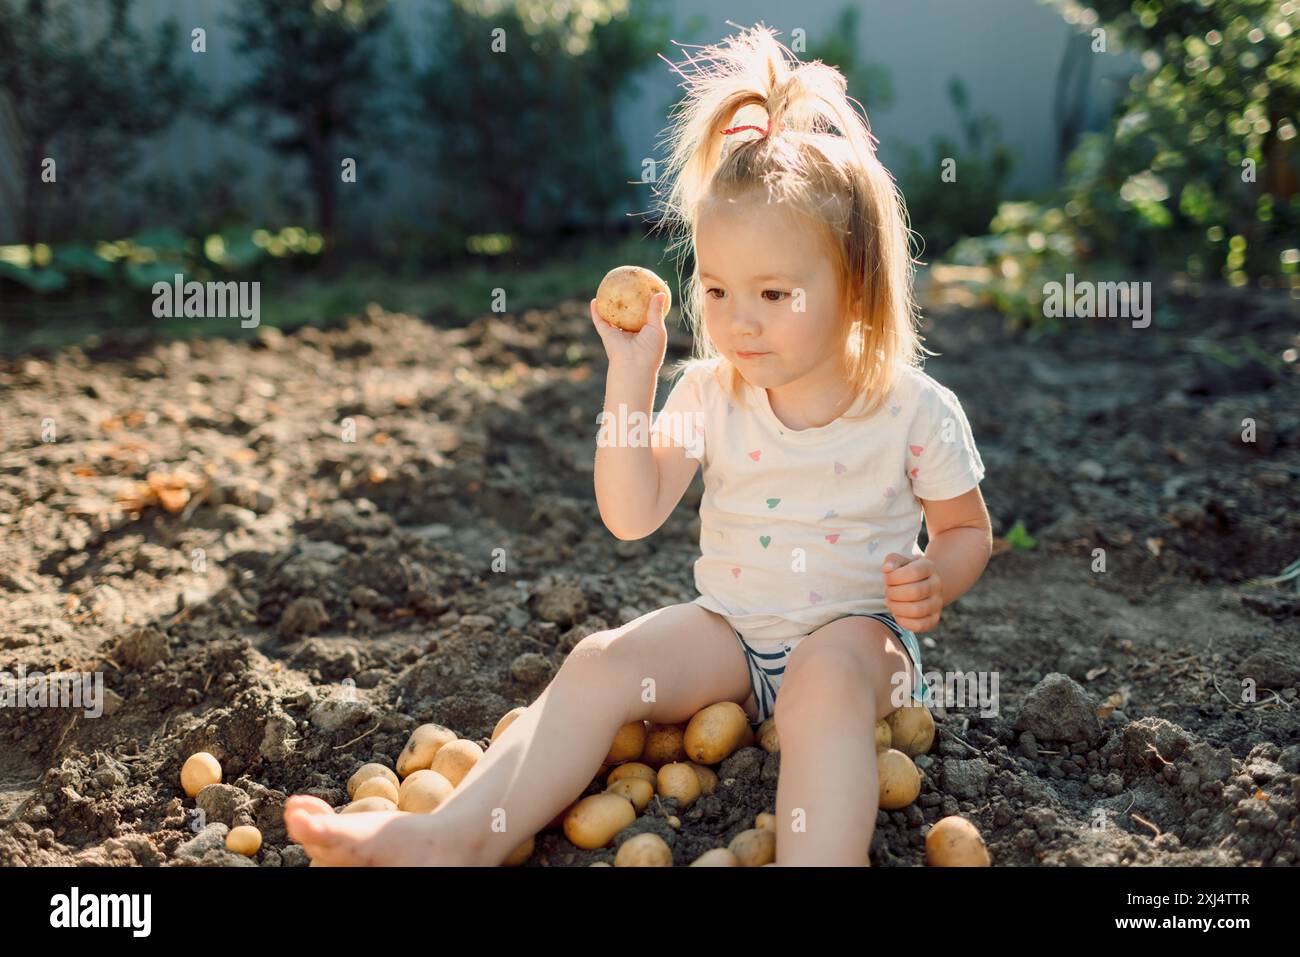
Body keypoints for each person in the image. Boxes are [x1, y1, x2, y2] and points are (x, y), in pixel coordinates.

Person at [284, 23, 992, 867]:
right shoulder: (709, 390)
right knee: (598, 659)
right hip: (733, 632)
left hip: (858, 633)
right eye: (720, 288)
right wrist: (632, 375)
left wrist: (934, 578)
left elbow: (965, 530)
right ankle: (454, 835)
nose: (739, 318)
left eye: (773, 292)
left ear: (857, 288)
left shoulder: (913, 409)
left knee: (826, 685)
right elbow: (629, 514)